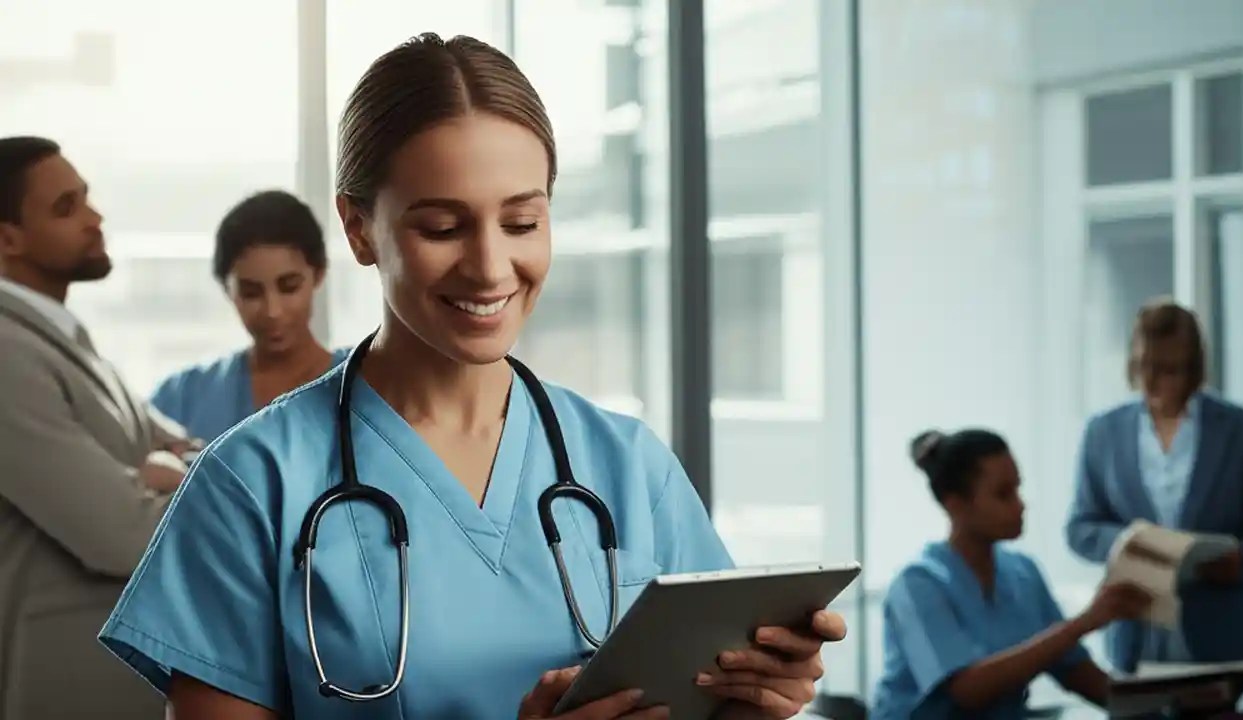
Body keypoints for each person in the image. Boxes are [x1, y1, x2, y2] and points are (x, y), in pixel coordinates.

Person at [98, 33, 844, 720]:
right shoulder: (252, 484)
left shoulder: (627, 465)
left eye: (521, 222)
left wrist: (750, 700)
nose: (490, 268)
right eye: (443, 228)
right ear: (359, 228)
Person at [0, 135, 196, 719]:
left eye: (86, 199)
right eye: (66, 208)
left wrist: (163, 472)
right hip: (60, 681)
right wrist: (152, 482)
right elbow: (122, 533)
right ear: (6, 238)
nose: (95, 219)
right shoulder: (7, 355)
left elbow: (196, 451)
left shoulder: (64, 341)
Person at [871, 429, 1151, 720]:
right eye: (1003, 494)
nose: (1020, 505)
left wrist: (1165, 706)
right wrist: (1084, 622)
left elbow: (1076, 671)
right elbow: (968, 690)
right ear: (956, 505)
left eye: (1018, 489)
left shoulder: (1023, 573)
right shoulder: (917, 585)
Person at [1066, 298, 1243, 673]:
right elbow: (1080, 529)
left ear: (1193, 368)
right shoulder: (1103, 432)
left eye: (1168, 370)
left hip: (1220, 637)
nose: (1152, 382)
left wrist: (1240, 562)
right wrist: (1127, 543)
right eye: (1144, 366)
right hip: (1134, 634)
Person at [150, 190, 346, 442]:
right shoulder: (183, 398)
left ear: (318, 274)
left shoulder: (367, 388)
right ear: (227, 289)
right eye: (251, 293)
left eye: (289, 287)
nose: (272, 311)